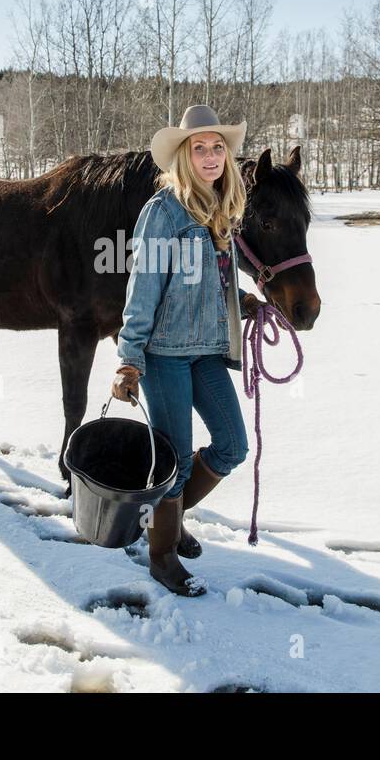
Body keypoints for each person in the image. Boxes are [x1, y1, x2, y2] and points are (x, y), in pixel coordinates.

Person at [111, 104, 261, 597]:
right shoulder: (163, 212)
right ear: (183, 155)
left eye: (218, 146)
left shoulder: (220, 208)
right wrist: (129, 359)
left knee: (233, 445)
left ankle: (169, 522)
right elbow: (144, 287)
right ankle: (161, 554)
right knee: (171, 461)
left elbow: (207, 281)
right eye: (200, 147)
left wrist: (240, 301)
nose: (211, 155)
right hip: (164, 354)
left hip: (207, 351)